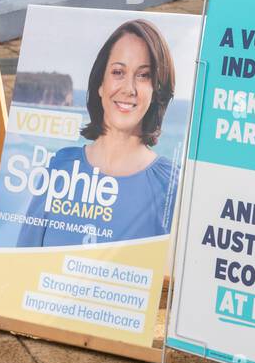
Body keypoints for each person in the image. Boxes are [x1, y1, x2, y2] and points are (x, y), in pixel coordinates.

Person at [16, 20, 179, 248]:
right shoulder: (61, 167)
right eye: (118, 72)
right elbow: (20, 264)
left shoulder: (171, 186)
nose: (129, 88)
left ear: (156, 89)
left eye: (143, 75)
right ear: (100, 83)